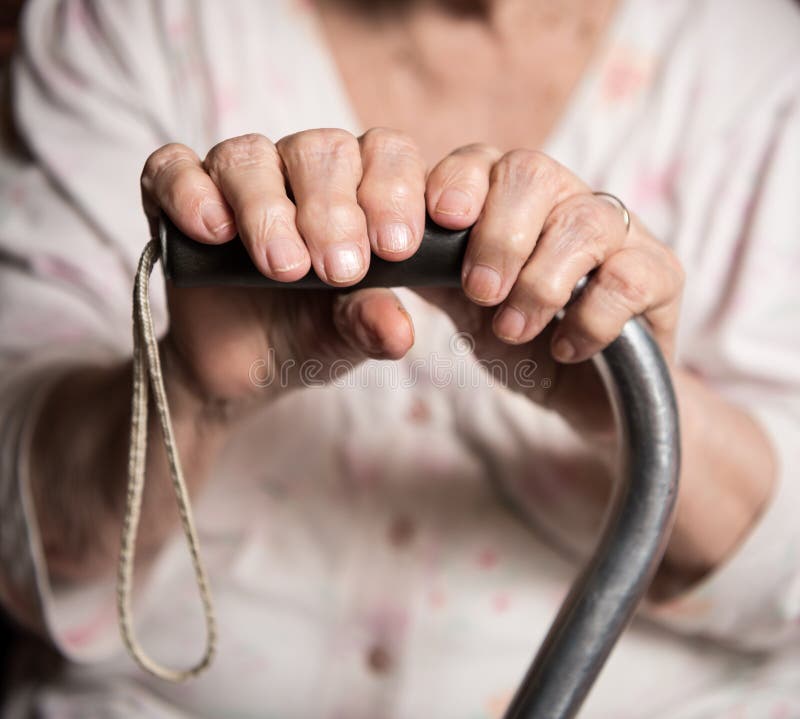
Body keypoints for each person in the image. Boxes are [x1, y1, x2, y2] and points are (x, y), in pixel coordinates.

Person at [1, 0, 798, 716]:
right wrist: (186, 392)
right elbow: (25, 545)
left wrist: (638, 411)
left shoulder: (765, 71)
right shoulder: (132, 20)